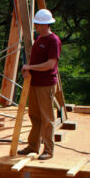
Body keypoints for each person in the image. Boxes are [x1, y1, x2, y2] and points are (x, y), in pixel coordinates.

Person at [20, 8, 62, 160]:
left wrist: (30, 67)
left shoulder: (53, 41)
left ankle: (48, 150)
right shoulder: (39, 39)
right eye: (36, 24)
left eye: (39, 24)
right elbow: (35, 60)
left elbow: (50, 64)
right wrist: (27, 71)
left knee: (47, 119)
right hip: (35, 82)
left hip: (46, 84)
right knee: (34, 116)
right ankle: (33, 146)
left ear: (46, 25)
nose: (36, 26)